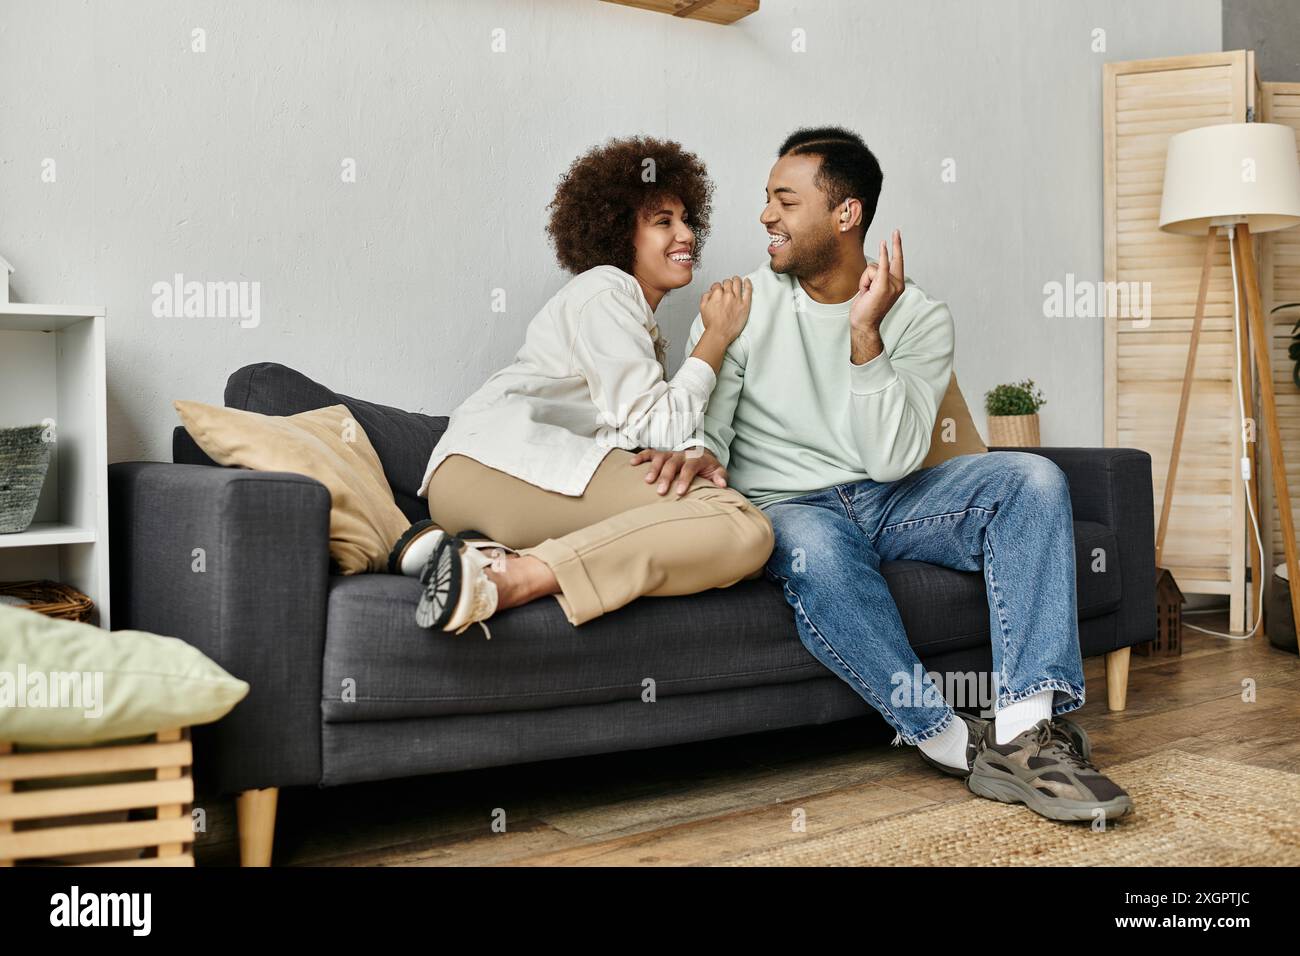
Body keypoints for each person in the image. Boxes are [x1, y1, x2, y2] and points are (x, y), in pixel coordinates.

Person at [636, 127, 1133, 824]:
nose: (765, 217)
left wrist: (866, 334)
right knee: (819, 547)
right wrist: (697, 454)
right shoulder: (739, 306)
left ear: (846, 215)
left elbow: (892, 458)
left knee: (1032, 479)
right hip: (787, 506)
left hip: (893, 496)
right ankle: (954, 743)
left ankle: (1025, 736)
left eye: (784, 200)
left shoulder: (920, 317)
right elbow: (708, 442)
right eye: (766, 200)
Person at [407, 136, 774, 636]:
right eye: (663, 221)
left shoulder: (631, 321)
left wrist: (688, 453)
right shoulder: (604, 290)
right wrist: (717, 336)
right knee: (738, 524)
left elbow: (645, 432)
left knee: (735, 553)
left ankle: (465, 554)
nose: (686, 234)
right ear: (620, 233)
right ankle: (512, 577)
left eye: (687, 219)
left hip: (475, 487)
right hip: (496, 466)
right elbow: (657, 425)